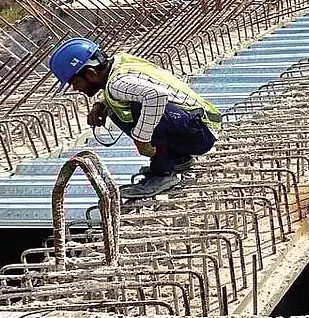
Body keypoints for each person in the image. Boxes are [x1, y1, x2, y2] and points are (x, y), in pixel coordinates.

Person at [48, 38, 219, 198]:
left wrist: (141, 140)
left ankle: (163, 174)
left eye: (75, 83)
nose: (75, 89)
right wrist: (100, 105)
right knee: (117, 108)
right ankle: (177, 159)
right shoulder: (119, 65)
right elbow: (131, 90)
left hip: (199, 135)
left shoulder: (116, 83)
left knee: (141, 105)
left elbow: (155, 96)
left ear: (91, 74)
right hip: (195, 128)